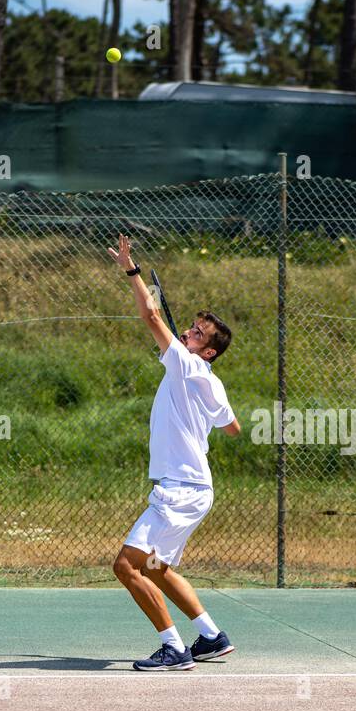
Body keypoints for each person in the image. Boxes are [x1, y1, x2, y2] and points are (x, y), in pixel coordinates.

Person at [107, 234, 241, 671]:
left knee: (126, 567)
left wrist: (131, 270)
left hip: (180, 491)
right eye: (191, 327)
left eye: (197, 333)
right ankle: (211, 637)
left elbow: (150, 314)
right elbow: (233, 428)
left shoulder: (187, 364)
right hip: (195, 488)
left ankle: (175, 648)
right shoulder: (209, 380)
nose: (187, 332)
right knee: (157, 567)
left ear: (209, 351)